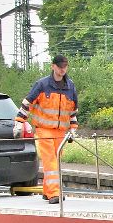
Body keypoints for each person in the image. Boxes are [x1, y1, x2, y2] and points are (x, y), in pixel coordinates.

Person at [14, 54, 77, 203]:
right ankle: (54, 193)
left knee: (56, 161)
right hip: (44, 129)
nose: (62, 70)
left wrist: (73, 128)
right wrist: (19, 121)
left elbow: (73, 110)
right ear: (53, 66)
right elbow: (27, 103)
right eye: (60, 67)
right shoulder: (42, 85)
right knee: (50, 160)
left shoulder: (70, 86)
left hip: (61, 130)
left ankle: (47, 190)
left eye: (65, 67)